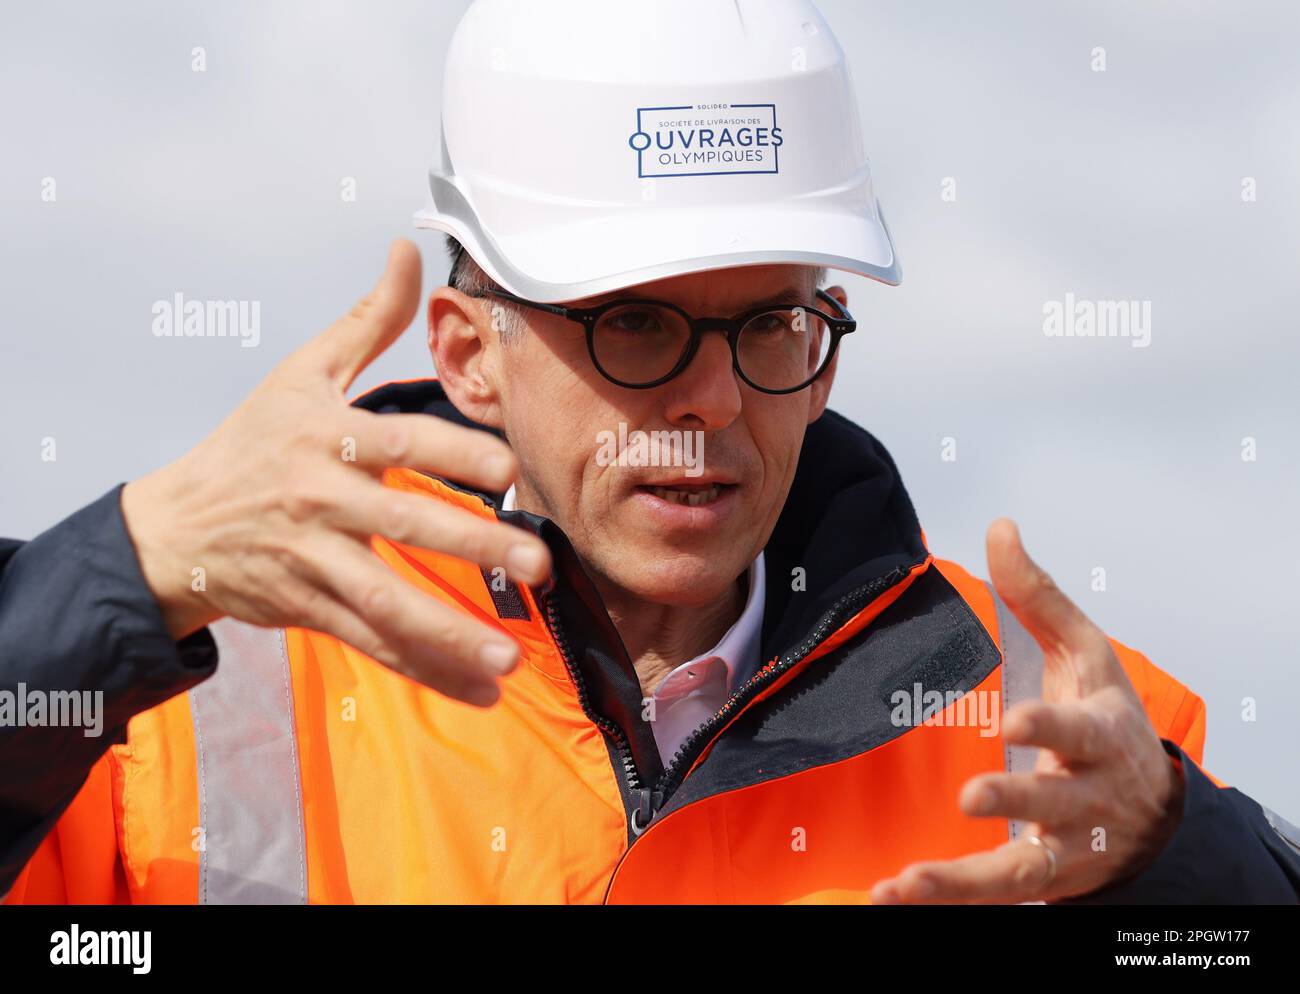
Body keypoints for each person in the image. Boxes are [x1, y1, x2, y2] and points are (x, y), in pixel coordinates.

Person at [3, 0, 1299, 904]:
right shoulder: (178, 697)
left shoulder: (1065, 732)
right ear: (467, 350)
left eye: (775, 324)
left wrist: (1186, 866)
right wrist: (107, 581)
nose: (717, 402)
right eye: (636, 322)